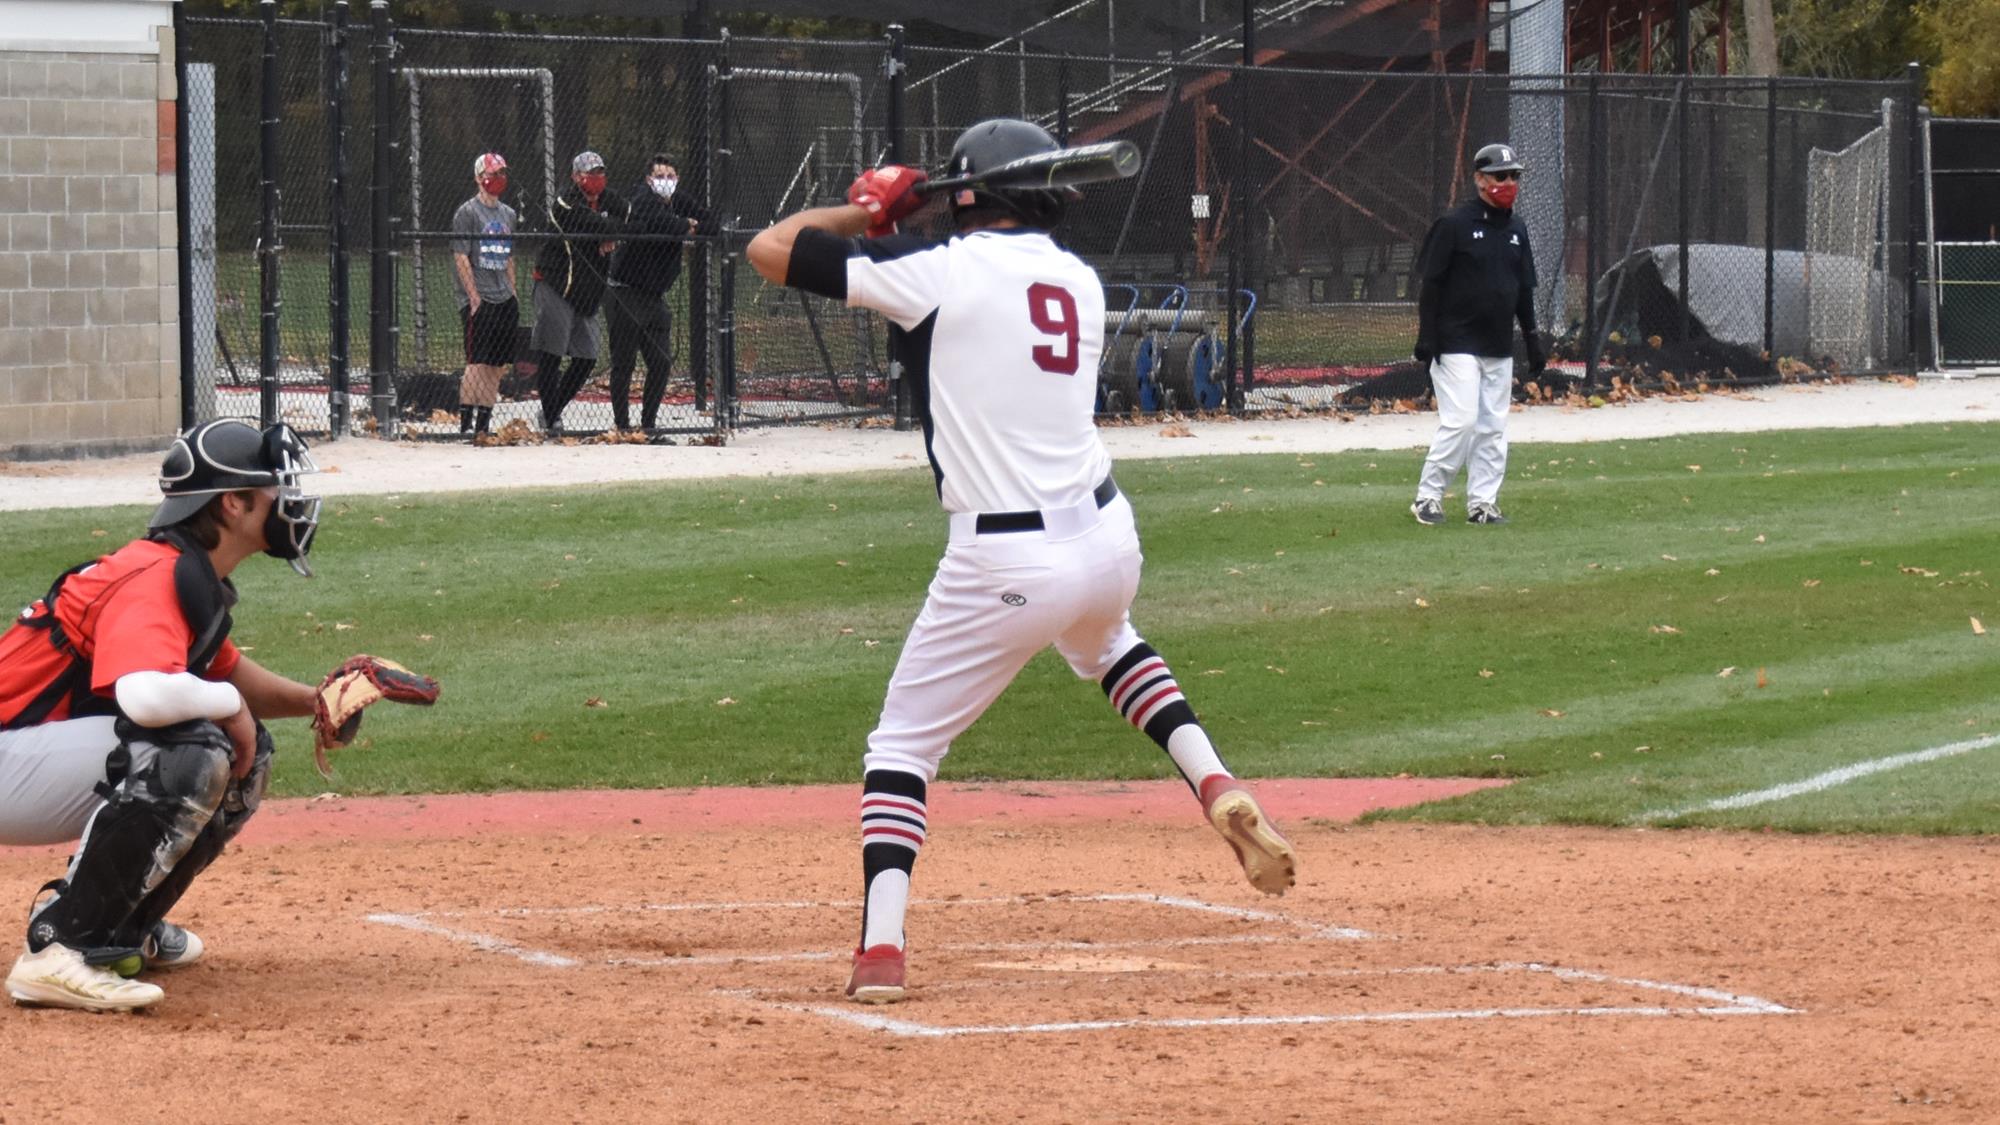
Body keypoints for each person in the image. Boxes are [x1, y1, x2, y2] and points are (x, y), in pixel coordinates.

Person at [746, 118, 1298, 1007]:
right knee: (1109, 642)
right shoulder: (1076, 279)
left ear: (970, 197)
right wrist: (913, 218)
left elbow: (768, 249)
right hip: (1107, 536)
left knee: (902, 745)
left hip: (1004, 555)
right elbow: (944, 314)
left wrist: (863, 210)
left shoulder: (941, 270)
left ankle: (880, 949)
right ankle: (1214, 777)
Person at [0, 421, 428, 1013]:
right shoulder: (154, 576)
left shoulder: (187, 572)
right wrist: (231, 712)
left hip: (23, 760)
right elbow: (145, 697)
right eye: (276, 488)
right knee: (191, 749)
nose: (291, 501)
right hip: (9, 759)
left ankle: (115, 926)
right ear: (233, 504)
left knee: (243, 755)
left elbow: (230, 679)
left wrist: (317, 699)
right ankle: (62, 946)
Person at [1409, 141, 1547, 527]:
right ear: (1480, 179)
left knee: (1492, 427)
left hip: (1497, 343)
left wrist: (1532, 337)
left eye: (1514, 176)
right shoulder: (1453, 225)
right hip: (1455, 341)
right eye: (1501, 176)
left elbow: (1523, 290)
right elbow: (1431, 285)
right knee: (1462, 420)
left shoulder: (1517, 229)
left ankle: (1482, 504)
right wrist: (1427, 335)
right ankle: (1428, 496)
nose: (1509, 183)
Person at [606, 153, 707, 432]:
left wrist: (692, 222)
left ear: (677, 179)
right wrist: (685, 224)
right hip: (625, 293)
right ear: (649, 180)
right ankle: (622, 426)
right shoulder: (641, 199)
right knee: (623, 364)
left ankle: (648, 425)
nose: (665, 182)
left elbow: (706, 218)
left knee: (661, 362)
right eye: (660, 177)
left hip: (654, 297)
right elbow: (661, 222)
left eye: (670, 177)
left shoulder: (678, 201)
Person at [530, 150, 624, 437]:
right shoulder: (565, 201)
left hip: (587, 291)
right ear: (574, 176)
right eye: (587, 173)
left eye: (599, 172)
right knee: (552, 353)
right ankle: (551, 419)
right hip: (556, 284)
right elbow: (590, 224)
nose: (594, 178)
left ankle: (550, 411)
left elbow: (632, 218)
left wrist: (614, 233)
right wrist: (610, 232)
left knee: (587, 357)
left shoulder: (609, 199)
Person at [452, 152, 519, 441]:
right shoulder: (467, 212)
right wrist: (473, 297)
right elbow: (462, 257)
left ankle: (483, 423)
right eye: (493, 174)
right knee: (477, 363)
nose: (498, 179)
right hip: (480, 297)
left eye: (502, 173)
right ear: (479, 178)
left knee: (496, 364)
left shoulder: (508, 215)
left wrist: (512, 292)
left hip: (503, 296)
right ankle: (466, 422)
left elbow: (509, 256)